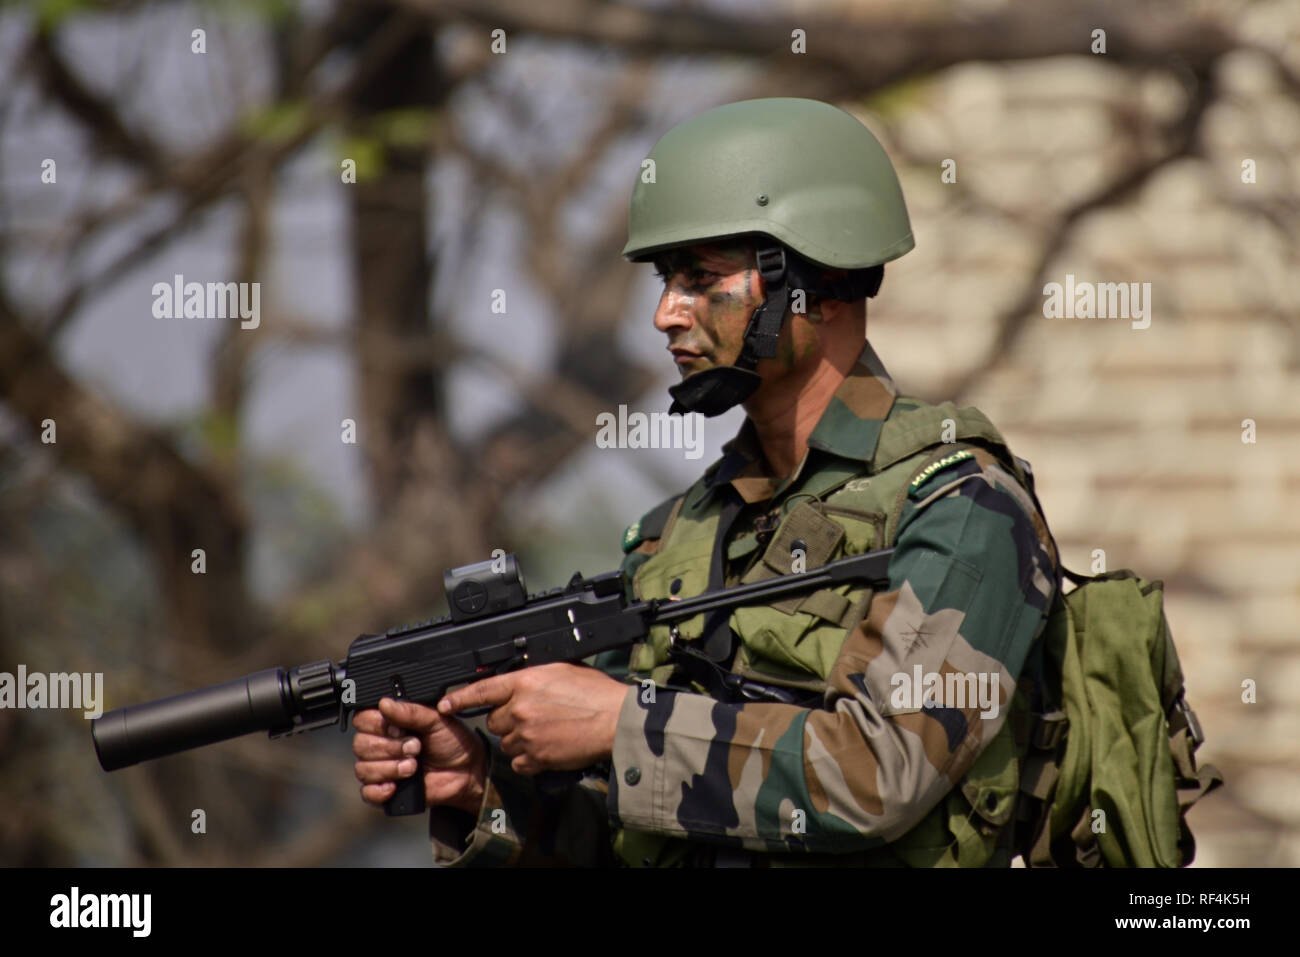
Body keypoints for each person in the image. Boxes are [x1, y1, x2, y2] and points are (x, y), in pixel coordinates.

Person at [351, 97, 1059, 867]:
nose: (664, 313)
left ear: (813, 281)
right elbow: (626, 842)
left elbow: (877, 774)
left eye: (700, 277)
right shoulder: (675, 537)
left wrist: (622, 723)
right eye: (665, 279)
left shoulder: (961, 508)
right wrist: (482, 788)